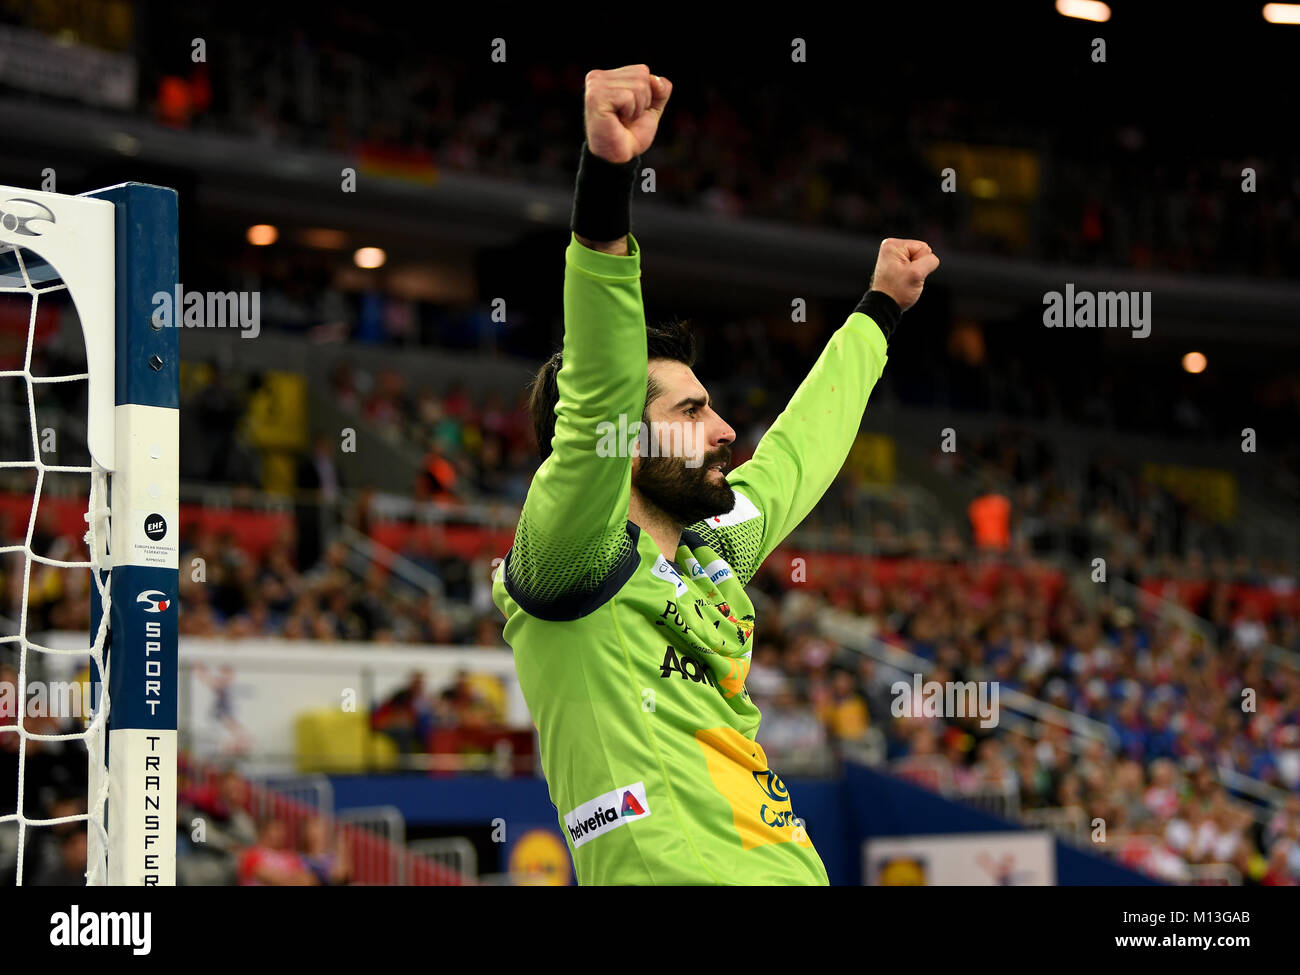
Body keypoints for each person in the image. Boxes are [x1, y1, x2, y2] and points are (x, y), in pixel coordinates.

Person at [492, 65, 938, 886]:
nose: (726, 431)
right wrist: (608, 181)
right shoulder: (572, 561)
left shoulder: (711, 550)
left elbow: (799, 454)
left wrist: (877, 310)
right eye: (692, 412)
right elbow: (596, 384)